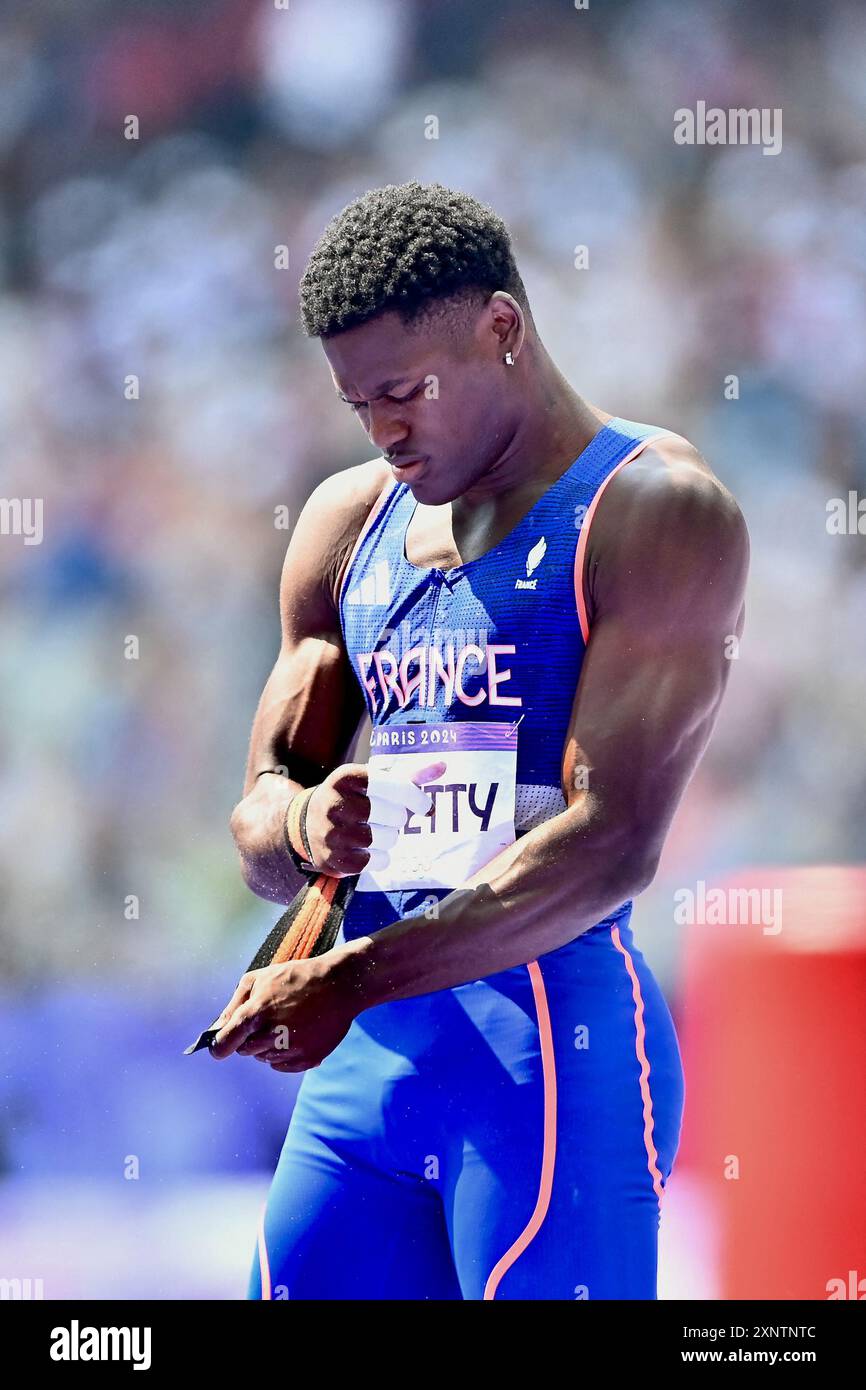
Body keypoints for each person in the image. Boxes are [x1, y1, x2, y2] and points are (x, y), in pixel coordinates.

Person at [212, 181, 749, 1301]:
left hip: (546, 1058)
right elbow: (260, 828)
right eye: (358, 403)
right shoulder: (345, 522)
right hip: (361, 1060)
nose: (384, 430)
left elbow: (611, 844)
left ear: (501, 330)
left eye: (404, 392)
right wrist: (308, 821)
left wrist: (350, 976)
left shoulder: (653, 512)